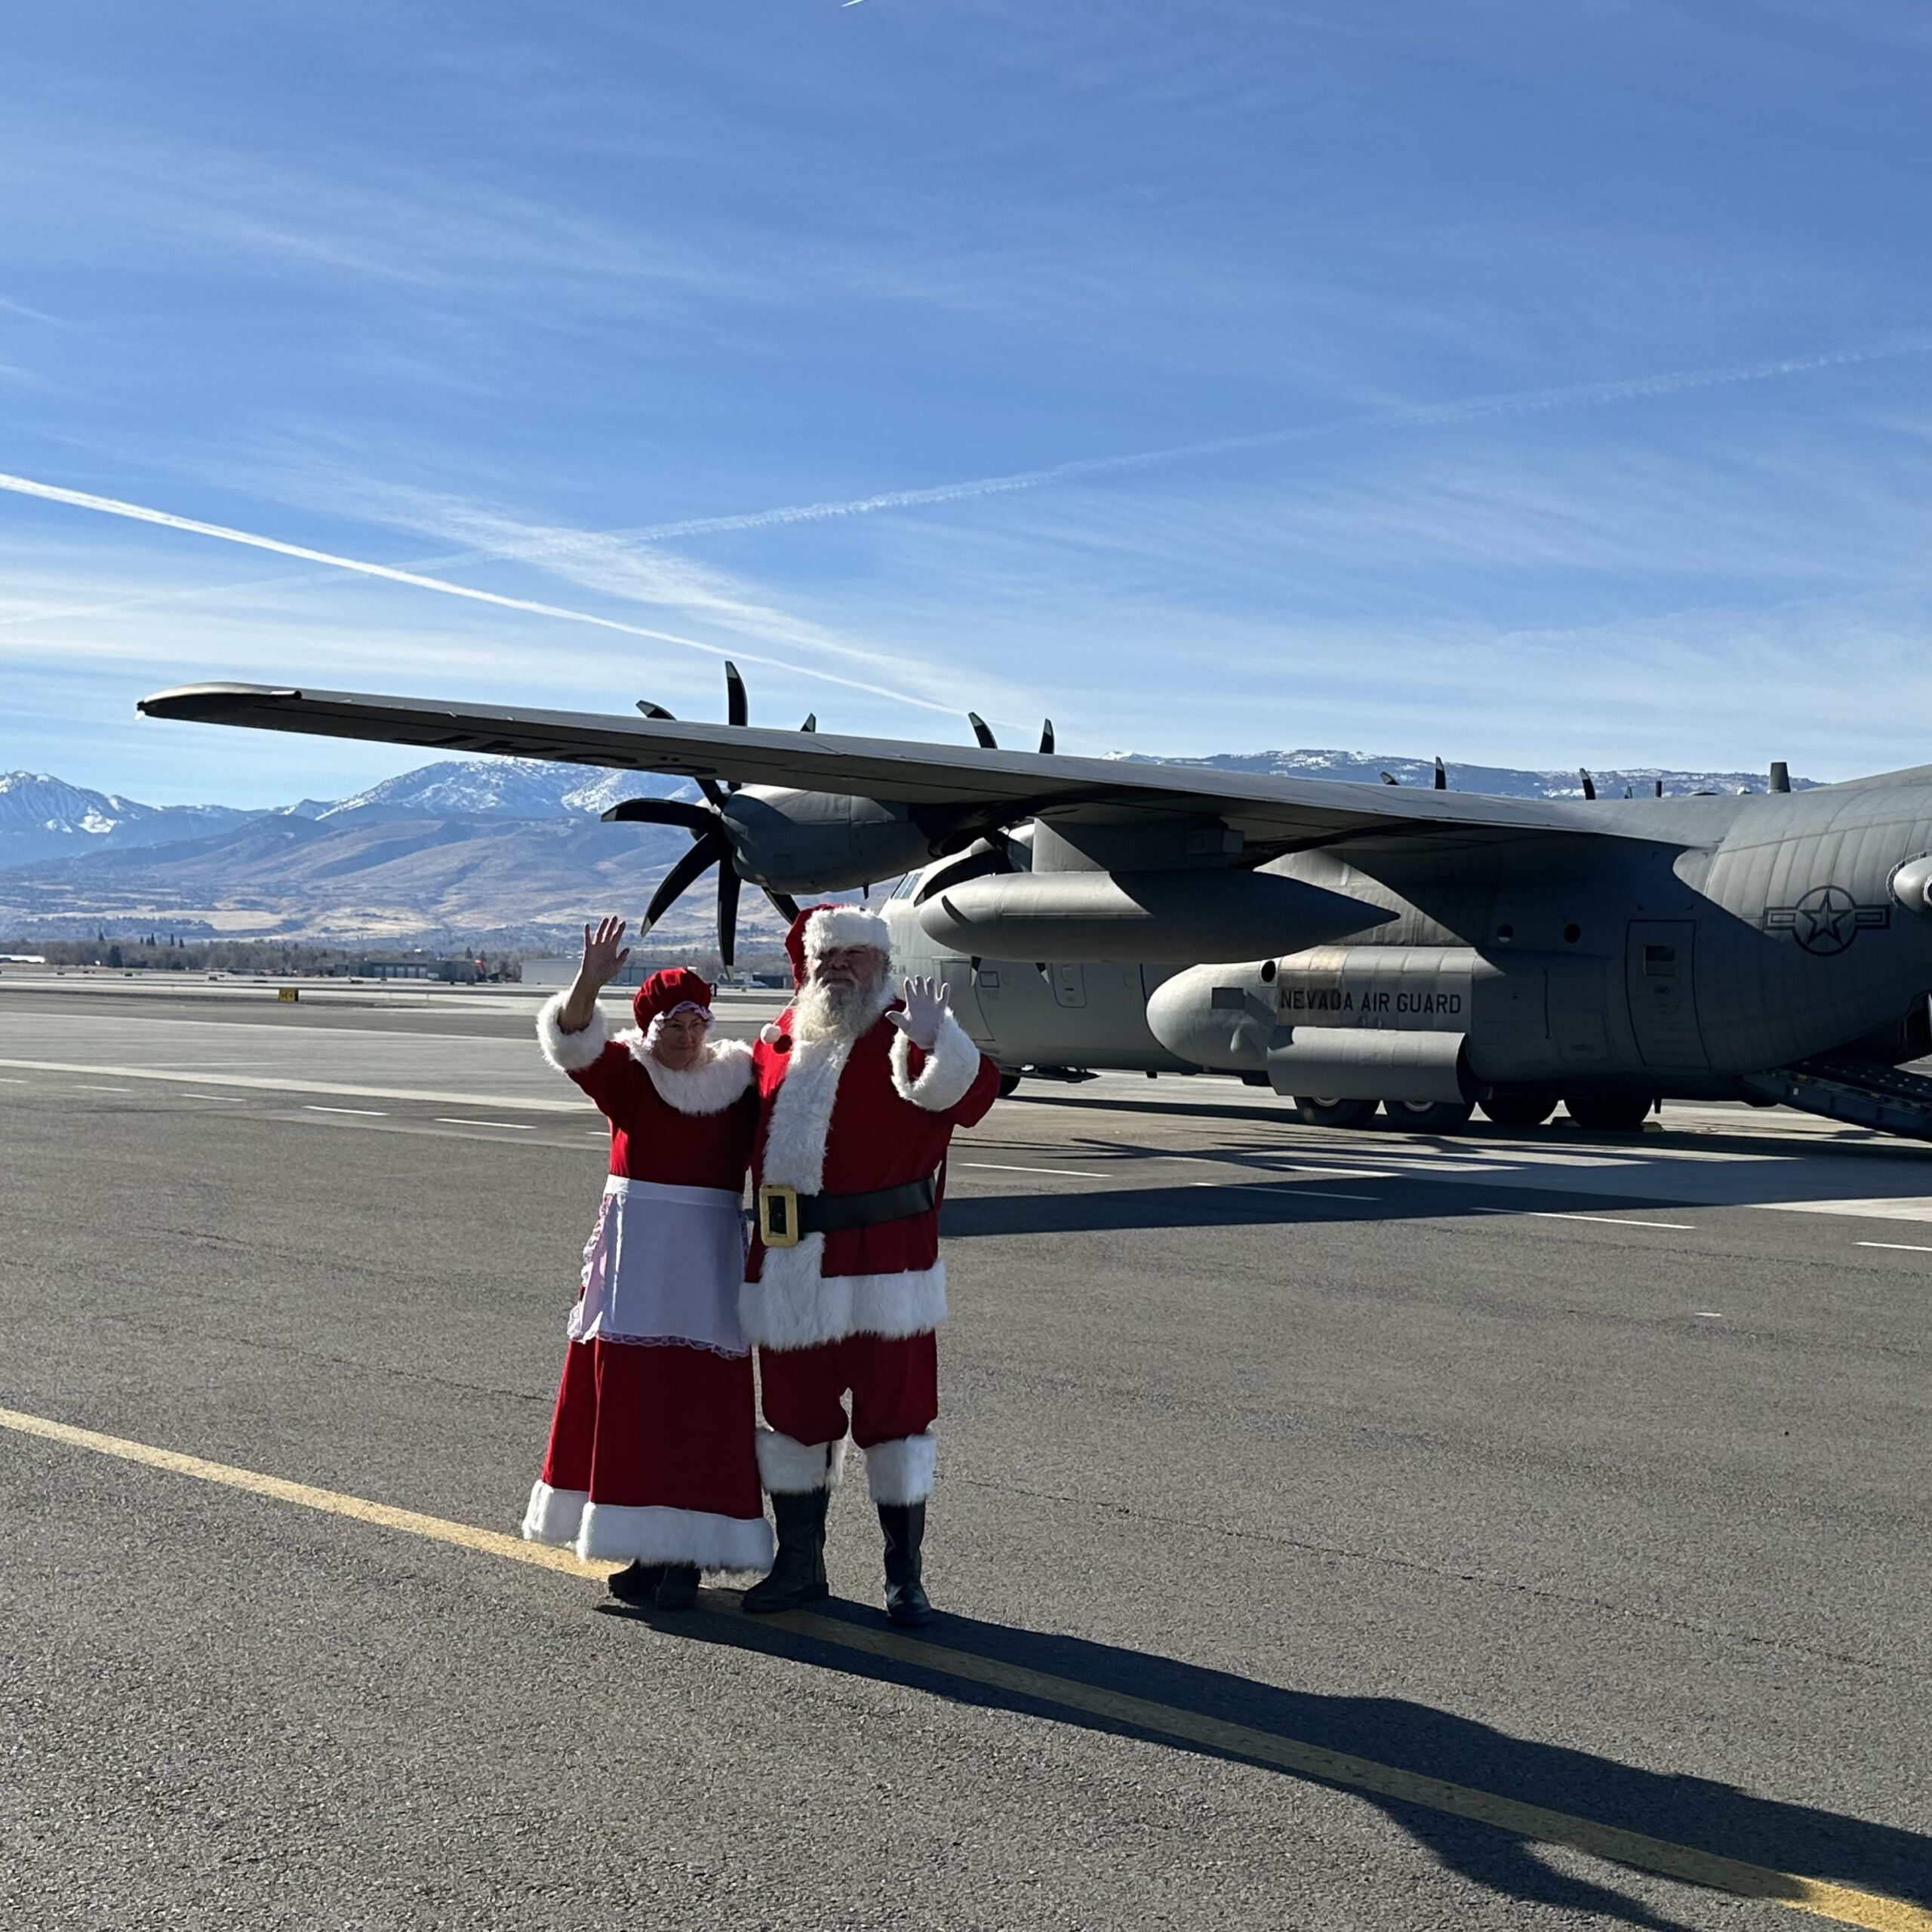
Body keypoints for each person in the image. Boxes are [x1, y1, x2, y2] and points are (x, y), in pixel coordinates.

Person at [740, 904, 1001, 1625]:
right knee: (792, 1419)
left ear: (882, 965)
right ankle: (799, 1568)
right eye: (827, 957)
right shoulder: (779, 1041)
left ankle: (904, 1577)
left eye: (854, 956)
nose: (838, 968)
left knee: (898, 1423)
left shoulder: (908, 1036)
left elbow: (976, 1098)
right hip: (793, 1266)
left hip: (888, 1265)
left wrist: (936, 1039)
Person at [521, 918, 772, 1609]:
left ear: (709, 1024)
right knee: (632, 1398)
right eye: (669, 1025)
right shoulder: (630, 1080)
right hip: (635, 1267)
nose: (684, 1035)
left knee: (698, 1402)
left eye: (695, 1022)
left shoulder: (741, 1082)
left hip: (705, 1269)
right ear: (648, 1031)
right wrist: (589, 981)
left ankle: (685, 1556)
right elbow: (575, 1041)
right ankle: (642, 1543)